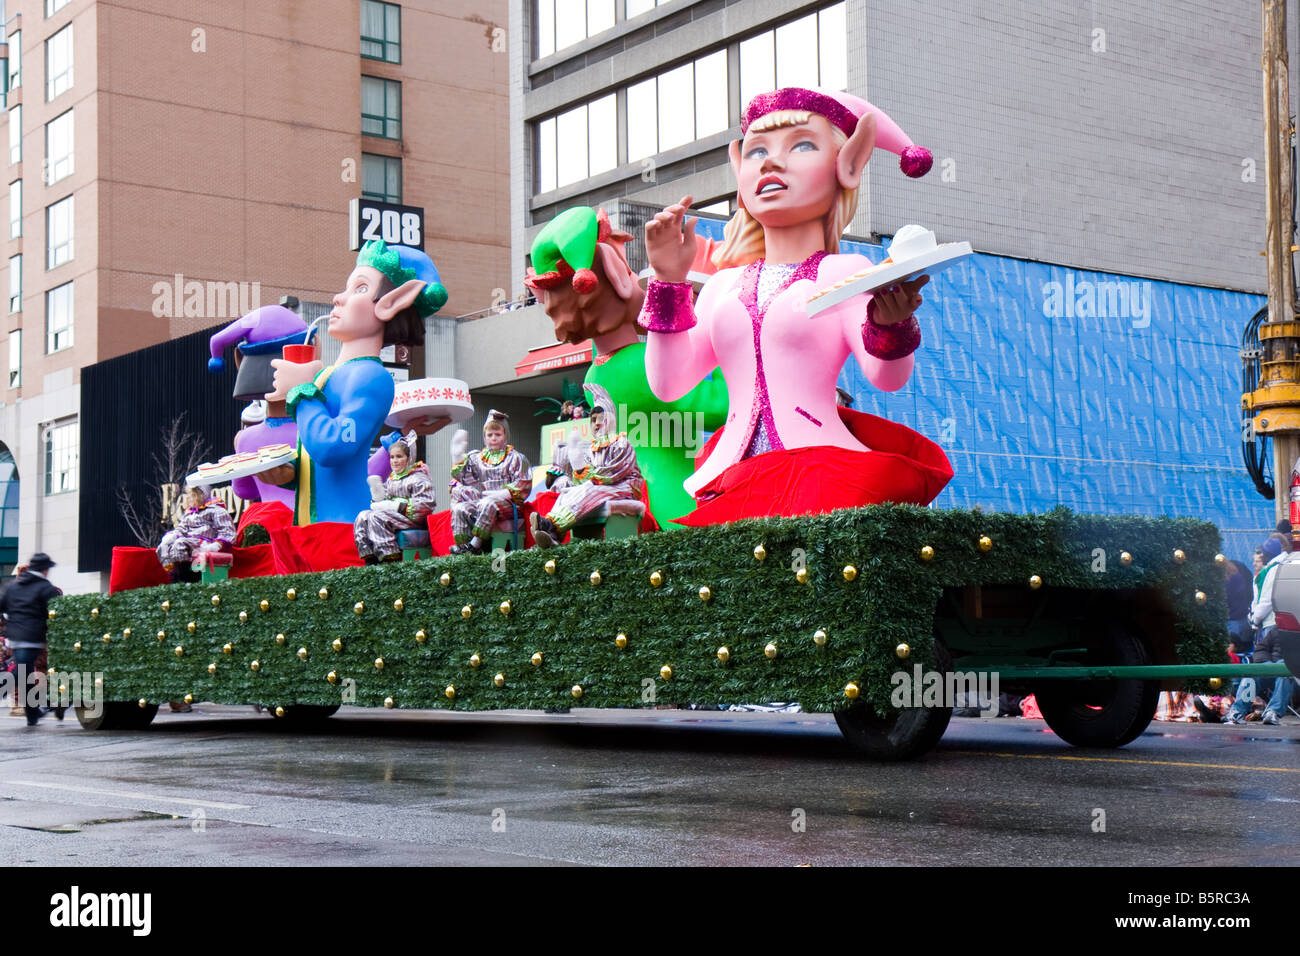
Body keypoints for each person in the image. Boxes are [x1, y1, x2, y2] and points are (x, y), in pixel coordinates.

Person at [637, 88, 954, 525]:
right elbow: (668, 385)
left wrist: (889, 323)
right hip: (732, 478)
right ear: (738, 167)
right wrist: (668, 281)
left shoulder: (845, 271)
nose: (770, 162)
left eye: (802, 145)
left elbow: (887, 378)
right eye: (757, 151)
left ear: (849, 164)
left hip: (820, 474)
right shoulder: (722, 287)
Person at [270, 240, 447, 525]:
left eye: (360, 288)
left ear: (390, 304)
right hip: (311, 527)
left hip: (341, 529)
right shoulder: (329, 375)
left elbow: (335, 446)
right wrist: (288, 472)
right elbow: (322, 463)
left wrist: (302, 392)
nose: (338, 298)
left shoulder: (371, 376)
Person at [530, 384, 644, 548]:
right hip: (600, 485)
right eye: (592, 420)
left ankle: (551, 526)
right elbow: (585, 478)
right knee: (566, 492)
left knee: (589, 490)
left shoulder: (621, 443)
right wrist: (580, 471)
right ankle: (551, 531)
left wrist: (590, 478)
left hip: (623, 488)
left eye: (600, 419)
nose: (596, 424)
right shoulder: (592, 449)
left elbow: (614, 472)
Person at [1226, 536, 1293, 724]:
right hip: (1273, 657)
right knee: (1253, 672)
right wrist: (1264, 664)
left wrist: (1255, 619)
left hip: (1289, 671)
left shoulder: (1276, 570)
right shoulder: (1275, 629)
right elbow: (1262, 651)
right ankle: (1236, 712)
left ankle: (1272, 712)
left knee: (1285, 671)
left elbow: (1265, 601)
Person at [449, 411, 531, 554]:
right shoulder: (478, 459)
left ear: (505, 436)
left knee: (487, 504)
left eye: (498, 434)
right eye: (490, 435)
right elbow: (465, 479)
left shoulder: (515, 457)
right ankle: (462, 548)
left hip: (510, 504)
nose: (493, 438)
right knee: (460, 508)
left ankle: (475, 544)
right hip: (483, 501)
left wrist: (504, 493)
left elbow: (524, 482)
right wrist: (457, 458)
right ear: (485, 437)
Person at [0, 554, 62, 725]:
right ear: (44, 569)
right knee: (20, 672)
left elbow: (2, 605)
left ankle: (32, 714)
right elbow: (57, 611)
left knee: (23, 672)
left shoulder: (13, 585)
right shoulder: (45, 587)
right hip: (33, 637)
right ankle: (32, 712)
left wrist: (9, 623)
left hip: (15, 636)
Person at [353, 432, 434, 564]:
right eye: (392, 457)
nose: (394, 461)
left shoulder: (419, 477)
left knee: (376, 517)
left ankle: (389, 558)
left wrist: (396, 506)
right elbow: (383, 502)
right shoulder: (391, 479)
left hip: (413, 519)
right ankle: (369, 557)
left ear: (409, 458)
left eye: (399, 457)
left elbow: (426, 505)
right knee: (363, 516)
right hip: (394, 518)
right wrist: (377, 497)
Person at [156, 485, 237, 582]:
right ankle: (173, 573)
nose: (188, 497)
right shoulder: (190, 513)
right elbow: (182, 529)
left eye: (191, 495)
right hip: (189, 540)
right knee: (164, 546)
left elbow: (227, 531)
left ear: (200, 496)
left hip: (205, 541)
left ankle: (186, 578)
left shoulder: (216, 510)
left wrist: (217, 544)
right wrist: (171, 537)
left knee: (180, 544)